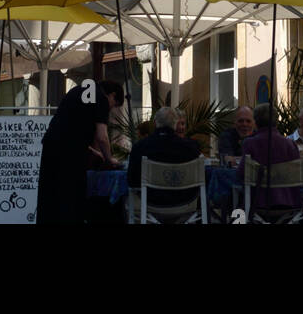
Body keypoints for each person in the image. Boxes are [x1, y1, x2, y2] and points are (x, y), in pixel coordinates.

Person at [36, 77, 124, 225]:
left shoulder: (79, 90)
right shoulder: (101, 98)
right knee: (70, 196)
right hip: (69, 156)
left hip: (51, 146)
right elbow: (102, 136)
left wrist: (93, 151)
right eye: (114, 105)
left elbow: (71, 127)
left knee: (50, 194)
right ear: (112, 95)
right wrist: (109, 159)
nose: (111, 109)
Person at [127, 107, 202, 213]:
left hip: (151, 203)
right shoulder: (192, 148)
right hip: (185, 203)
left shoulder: (140, 147)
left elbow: (132, 181)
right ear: (175, 124)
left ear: (155, 122)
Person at [235, 103, 302, 210]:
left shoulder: (250, 143)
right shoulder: (290, 144)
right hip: (289, 202)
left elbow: (241, 173)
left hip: (258, 202)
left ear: (255, 122)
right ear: (276, 121)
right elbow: (298, 174)